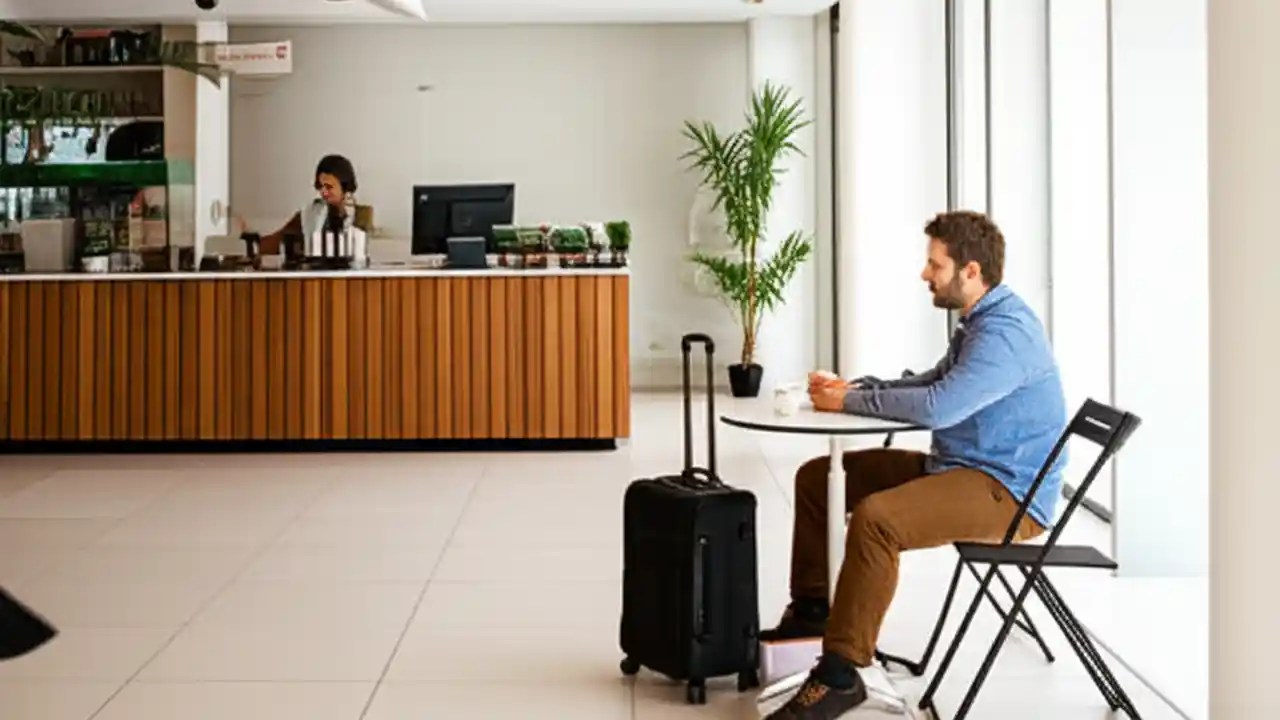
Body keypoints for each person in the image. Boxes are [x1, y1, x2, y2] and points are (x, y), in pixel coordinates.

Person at [763, 210, 1067, 719]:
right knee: (818, 478)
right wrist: (859, 390)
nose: (925, 274)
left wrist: (850, 404)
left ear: (971, 271)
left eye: (935, 265)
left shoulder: (1005, 335)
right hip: (962, 467)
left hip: (1007, 492)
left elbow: (937, 407)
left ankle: (841, 674)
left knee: (878, 520)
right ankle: (813, 614)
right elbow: (930, 382)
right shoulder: (981, 322)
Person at [257, 154, 368, 264]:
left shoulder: (360, 216)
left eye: (329, 187)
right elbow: (276, 241)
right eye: (321, 187)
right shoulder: (310, 213)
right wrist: (254, 239)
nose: (324, 193)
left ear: (345, 186)